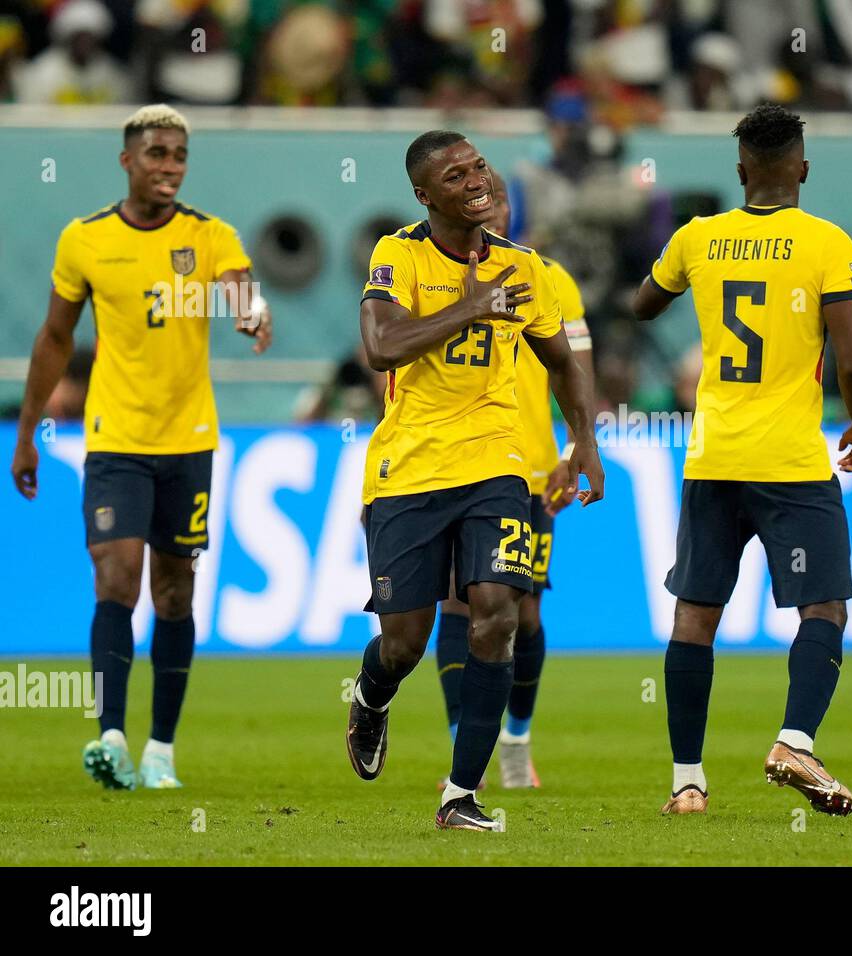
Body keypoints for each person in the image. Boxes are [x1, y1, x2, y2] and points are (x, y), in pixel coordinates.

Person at [344, 131, 603, 832]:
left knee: (497, 614)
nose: (477, 179)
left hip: (497, 466)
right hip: (410, 469)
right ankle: (371, 696)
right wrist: (473, 306)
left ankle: (461, 794)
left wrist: (584, 442)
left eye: (479, 165)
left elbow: (561, 360)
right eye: (456, 175)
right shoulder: (398, 254)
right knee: (403, 642)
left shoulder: (526, 270)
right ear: (427, 197)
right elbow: (380, 346)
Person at [9, 104, 273, 791]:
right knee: (117, 578)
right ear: (127, 160)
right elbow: (55, 337)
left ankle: (161, 749)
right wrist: (31, 428)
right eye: (157, 154)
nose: (169, 167)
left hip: (187, 441)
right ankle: (112, 739)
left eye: (179, 155)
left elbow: (239, 289)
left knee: (176, 595)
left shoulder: (210, 235)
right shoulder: (86, 240)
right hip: (115, 439)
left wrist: (252, 312)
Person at [632, 103, 852, 817]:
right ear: (802, 167)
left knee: (694, 616)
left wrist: (671, 271)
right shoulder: (827, 243)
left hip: (713, 458)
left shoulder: (698, 237)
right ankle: (794, 740)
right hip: (791, 460)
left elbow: (644, 304)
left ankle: (686, 782)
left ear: (741, 171)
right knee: (822, 605)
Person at [432, 167, 595, 790]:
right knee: (457, 599)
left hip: (527, 468)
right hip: (448, 463)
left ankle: (516, 738)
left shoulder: (547, 279)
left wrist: (578, 445)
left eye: (499, 199)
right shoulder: (431, 270)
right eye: (480, 198)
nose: (490, 208)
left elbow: (574, 365)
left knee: (520, 614)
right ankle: (462, 744)